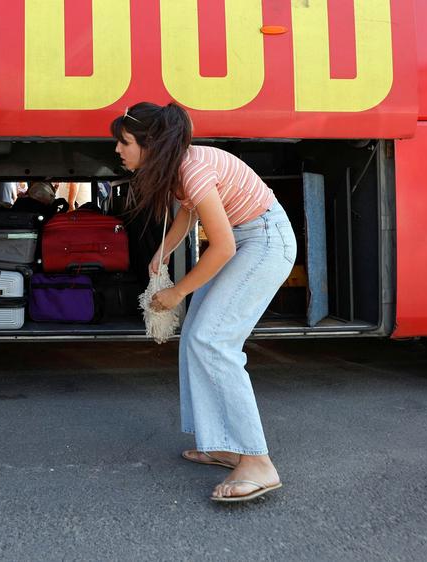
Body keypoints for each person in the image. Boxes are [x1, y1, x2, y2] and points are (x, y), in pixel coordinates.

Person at [111, 102, 296, 503]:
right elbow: (190, 212)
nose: (118, 150)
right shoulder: (179, 168)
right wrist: (164, 250)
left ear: (150, 144)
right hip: (246, 239)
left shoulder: (192, 170)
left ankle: (257, 461)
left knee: (214, 340)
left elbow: (224, 246)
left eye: (124, 142)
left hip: (263, 241)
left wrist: (176, 293)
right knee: (197, 335)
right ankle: (223, 445)